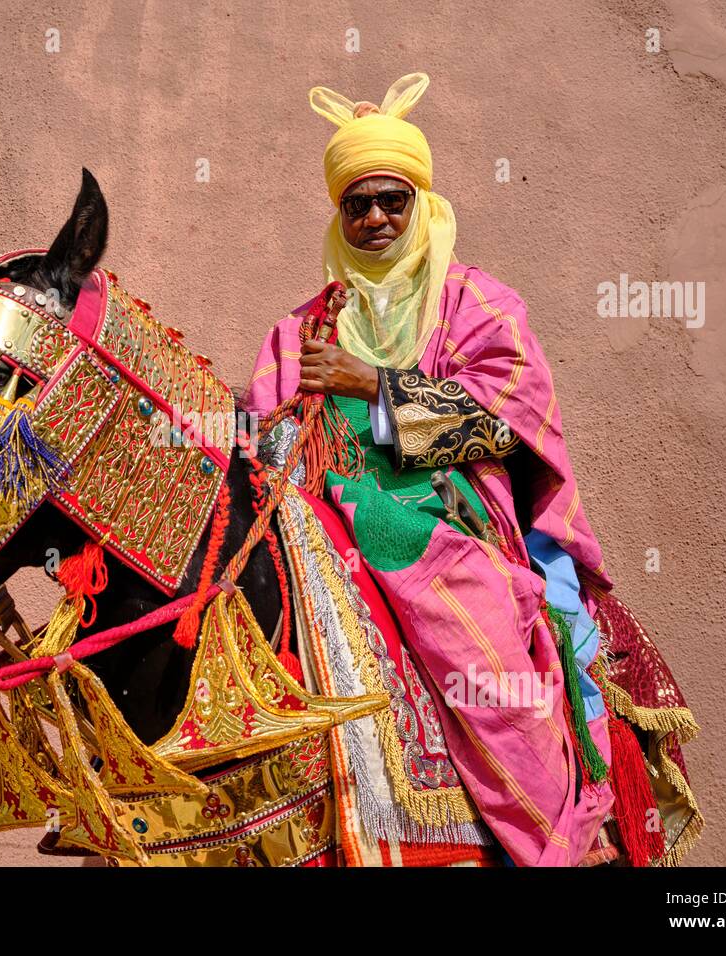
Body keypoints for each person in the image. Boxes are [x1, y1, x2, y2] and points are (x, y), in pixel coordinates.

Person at [243, 73, 620, 866]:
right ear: (338, 215)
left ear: (420, 201)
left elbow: (504, 424)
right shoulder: (298, 330)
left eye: (392, 200)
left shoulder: (478, 305)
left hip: (451, 521)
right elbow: (260, 446)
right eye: (357, 204)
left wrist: (368, 385)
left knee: (477, 635)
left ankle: (552, 836)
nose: (375, 217)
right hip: (318, 527)